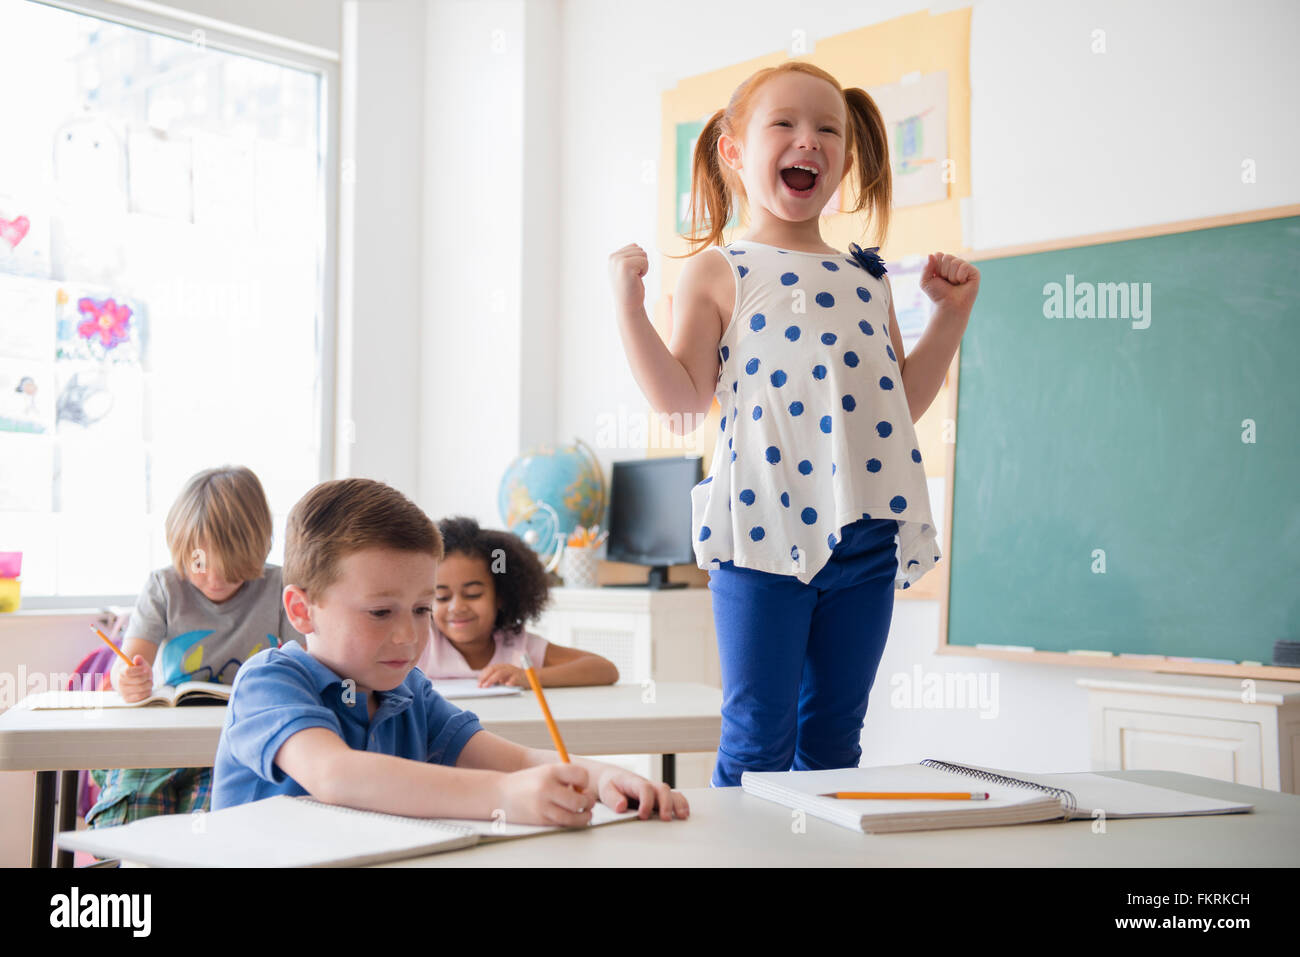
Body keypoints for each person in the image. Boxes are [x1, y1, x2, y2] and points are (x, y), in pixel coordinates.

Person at [607, 62, 980, 787]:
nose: (808, 140)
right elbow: (682, 401)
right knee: (756, 736)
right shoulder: (719, 269)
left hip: (866, 533)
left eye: (828, 129)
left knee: (836, 735)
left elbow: (896, 404)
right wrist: (627, 307)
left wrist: (950, 316)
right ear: (733, 149)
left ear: (844, 156)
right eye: (785, 123)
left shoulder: (866, 277)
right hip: (759, 529)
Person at [211, 478, 688, 826]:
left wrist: (602, 777)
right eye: (381, 612)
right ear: (301, 609)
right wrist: (503, 796)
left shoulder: (409, 693)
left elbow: (518, 762)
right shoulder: (269, 682)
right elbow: (338, 776)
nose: (407, 636)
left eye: (421, 608)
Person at [87, 465, 296, 828]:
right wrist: (129, 676)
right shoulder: (164, 585)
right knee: (129, 822)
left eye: (230, 566)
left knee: (212, 828)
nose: (213, 579)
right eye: (198, 563)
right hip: (160, 741)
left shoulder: (281, 587)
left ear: (258, 549)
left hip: (233, 744)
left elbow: (303, 664)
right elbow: (128, 663)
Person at [418, 515, 618, 687]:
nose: (457, 607)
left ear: (501, 596)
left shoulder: (517, 645)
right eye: (442, 597)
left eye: (473, 594)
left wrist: (529, 677)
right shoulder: (422, 644)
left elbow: (605, 670)